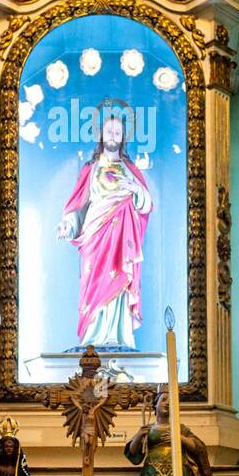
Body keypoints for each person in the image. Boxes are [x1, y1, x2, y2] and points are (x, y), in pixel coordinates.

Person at [57, 114, 152, 349]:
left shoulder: (130, 170)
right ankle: (93, 337)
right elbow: (78, 206)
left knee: (120, 279)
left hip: (122, 238)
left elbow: (146, 205)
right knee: (93, 282)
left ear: (122, 138)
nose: (112, 136)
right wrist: (68, 224)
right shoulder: (91, 169)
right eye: (109, 131)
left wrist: (137, 190)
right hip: (95, 235)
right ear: (101, 135)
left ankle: (119, 337)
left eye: (117, 132)